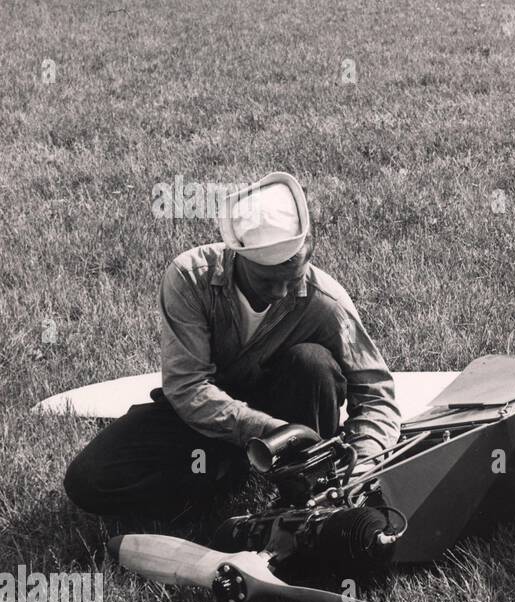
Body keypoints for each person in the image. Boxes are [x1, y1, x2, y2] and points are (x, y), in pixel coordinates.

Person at [64, 172, 401, 518]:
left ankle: (305, 494)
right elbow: (187, 387)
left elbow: (376, 393)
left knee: (313, 363)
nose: (282, 293)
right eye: (268, 280)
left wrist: (361, 466)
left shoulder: (326, 300)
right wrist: (265, 430)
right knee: (88, 480)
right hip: (204, 421)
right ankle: (217, 482)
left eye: (293, 279)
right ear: (237, 258)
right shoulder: (189, 279)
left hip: (287, 422)